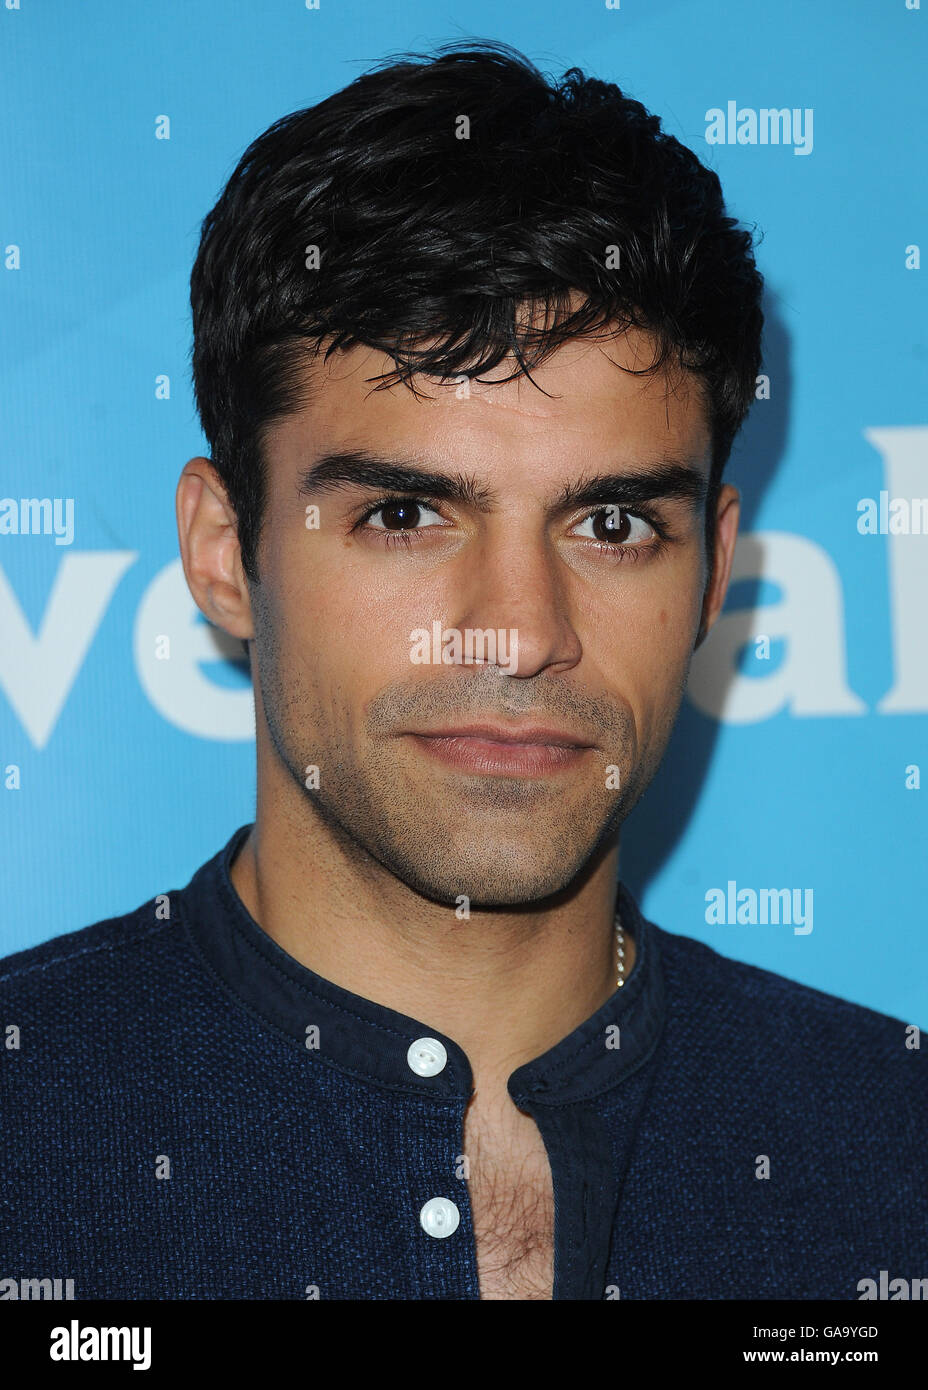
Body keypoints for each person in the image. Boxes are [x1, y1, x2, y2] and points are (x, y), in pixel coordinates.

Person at [1, 40, 923, 1303]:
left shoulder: (892, 1151)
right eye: (404, 515)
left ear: (711, 574)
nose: (517, 630)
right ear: (225, 553)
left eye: (609, 524)